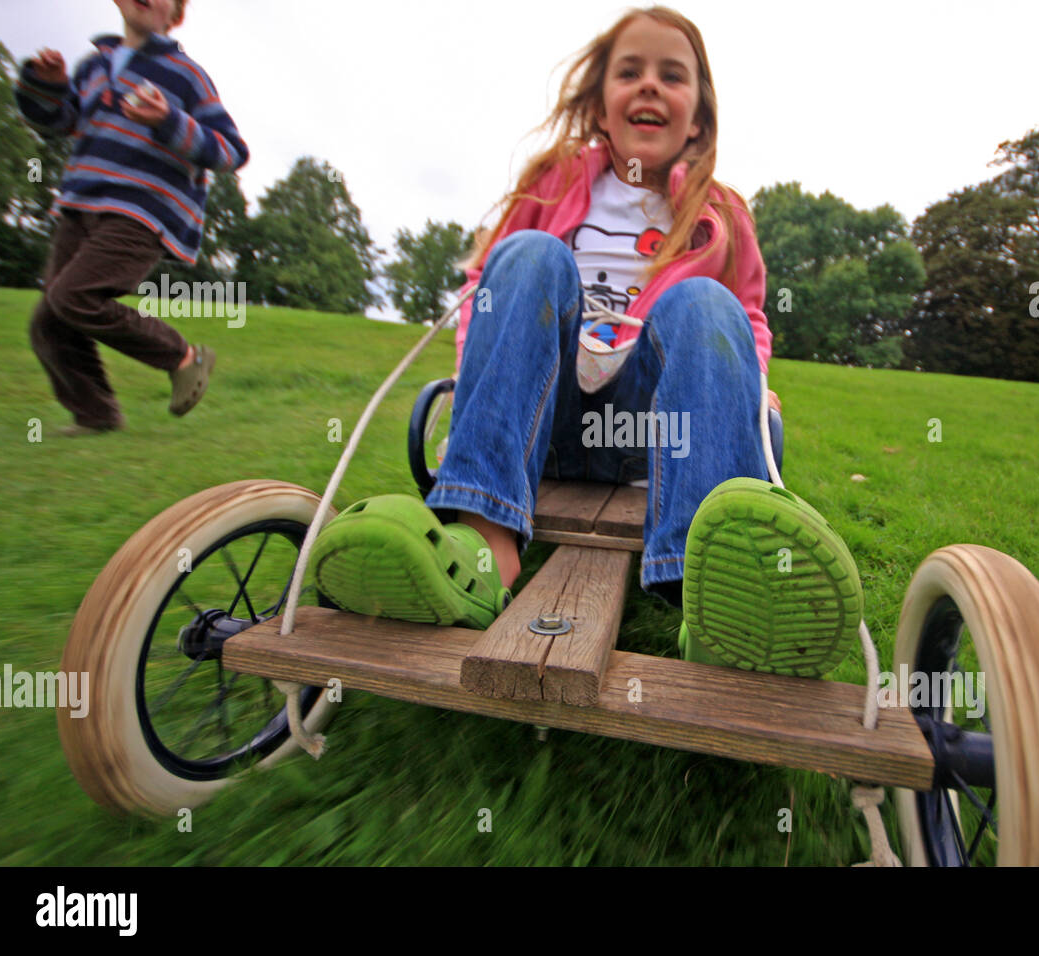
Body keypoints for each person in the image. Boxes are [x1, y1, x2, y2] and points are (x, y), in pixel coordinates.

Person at [310, 6, 863, 677]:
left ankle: (710, 591)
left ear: (699, 115)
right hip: (552, 418)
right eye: (629, 72)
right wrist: (471, 395)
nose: (650, 86)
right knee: (528, 254)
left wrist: (752, 391)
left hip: (653, 433)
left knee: (704, 301)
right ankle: (486, 548)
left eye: (672, 75)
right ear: (602, 106)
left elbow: (747, 318)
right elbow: (490, 289)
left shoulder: (721, 215)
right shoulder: (557, 180)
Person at [14, 0, 247, 435]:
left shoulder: (186, 76)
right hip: (79, 205)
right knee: (49, 319)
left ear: (174, 15)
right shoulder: (92, 67)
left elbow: (231, 150)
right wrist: (44, 86)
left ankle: (183, 357)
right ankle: (96, 416)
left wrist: (170, 121)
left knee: (73, 297)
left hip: (143, 210)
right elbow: (59, 120)